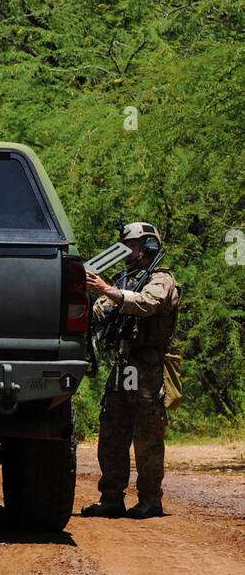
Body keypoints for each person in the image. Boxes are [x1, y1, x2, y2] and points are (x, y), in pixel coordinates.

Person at [82, 221, 181, 520]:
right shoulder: (126, 278)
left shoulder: (162, 280)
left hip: (148, 368)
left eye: (133, 245)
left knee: (148, 435)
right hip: (123, 365)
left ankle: (151, 501)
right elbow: (101, 312)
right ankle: (111, 499)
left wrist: (108, 290)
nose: (126, 250)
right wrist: (85, 296)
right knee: (112, 430)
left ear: (149, 246)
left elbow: (147, 304)